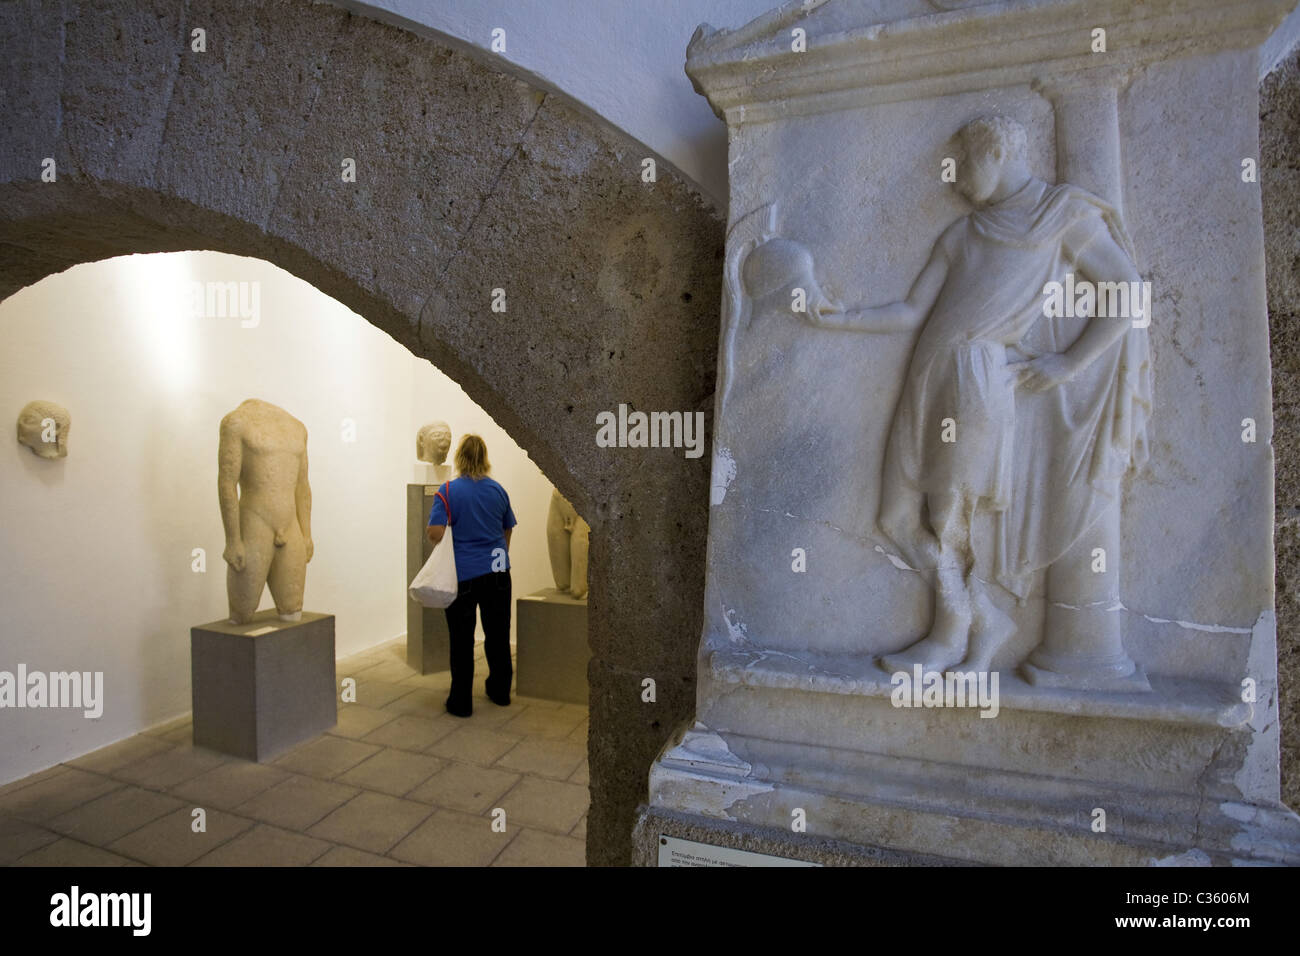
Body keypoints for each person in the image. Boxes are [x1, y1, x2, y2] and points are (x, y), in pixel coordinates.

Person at [811, 114, 1151, 687]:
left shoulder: (1062, 217)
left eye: (963, 163)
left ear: (994, 153)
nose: (956, 179)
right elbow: (911, 311)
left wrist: (1070, 362)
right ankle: (985, 619)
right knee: (895, 516)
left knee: (949, 513)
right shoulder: (963, 234)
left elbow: (1127, 290)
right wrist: (836, 316)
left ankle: (948, 637)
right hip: (930, 372)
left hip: (979, 376)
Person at [426, 434, 517, 716]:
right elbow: (508, 528)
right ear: (485, 458)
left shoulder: (448, 490)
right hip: (498, 574)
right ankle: (500, 692)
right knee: (498, 635)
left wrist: (458, 532)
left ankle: (461, 701)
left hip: (463, 575)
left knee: (462, 639)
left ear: (459, 457)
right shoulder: (498, 490)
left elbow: (434, 532)